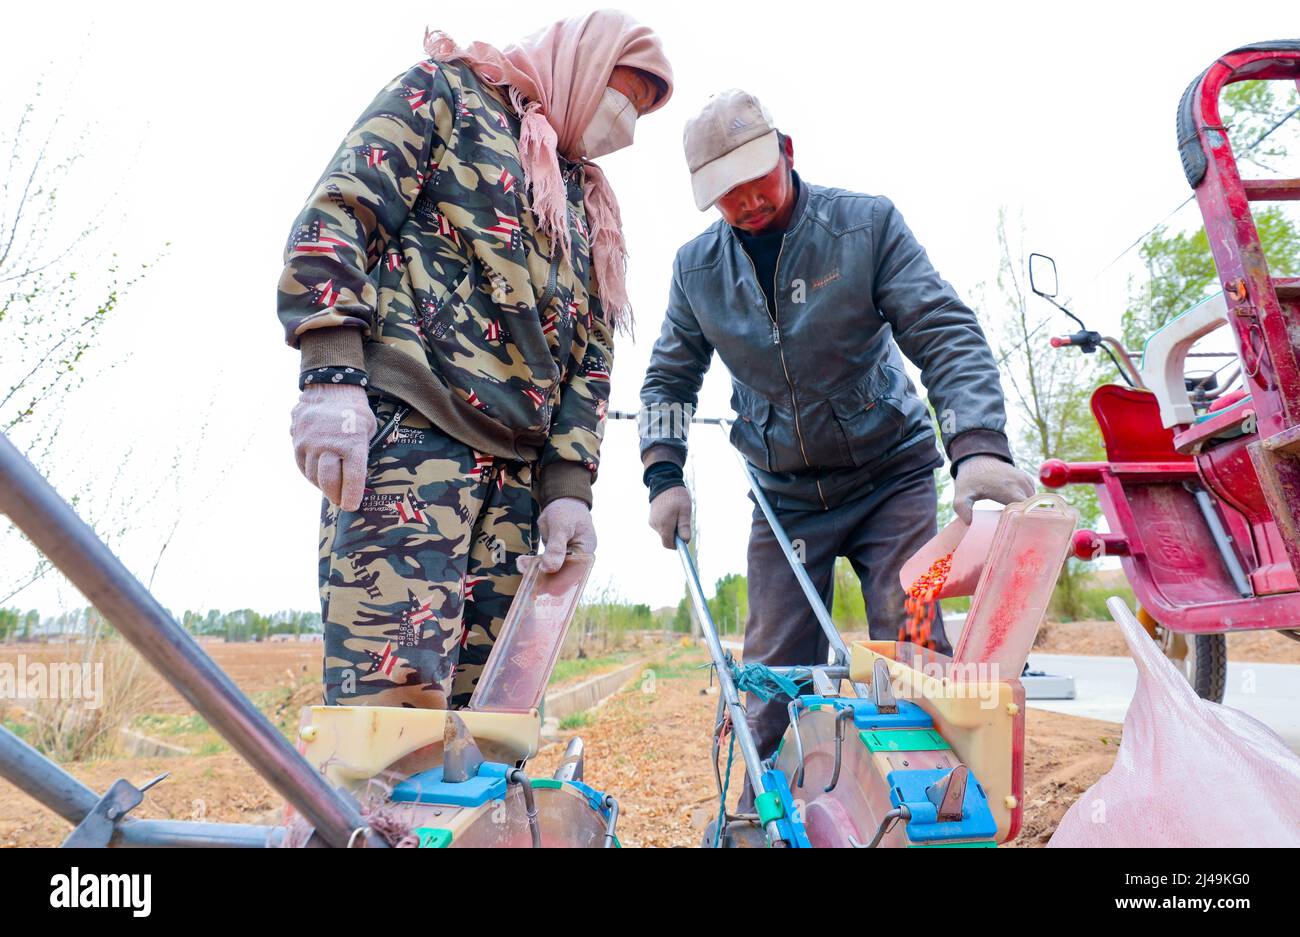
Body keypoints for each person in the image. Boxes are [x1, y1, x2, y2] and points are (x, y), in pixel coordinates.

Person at [638, 89, 1034, 808]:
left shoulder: (864, 226)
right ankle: (760, 809)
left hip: (892, 479)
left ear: (788, 153)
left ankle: (934, 804)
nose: (748, 202)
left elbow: (943, 330)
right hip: (784, 497)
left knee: (908, 652)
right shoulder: (697, 271)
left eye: (757, 180)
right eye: (725, 195)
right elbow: (668, 376)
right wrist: (664, 474)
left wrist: (977, 446)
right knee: (772, 677)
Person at [280, 11, 672, 709]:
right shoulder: (449, 95)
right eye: (625, 95)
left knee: (494, 723)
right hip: (416, 440)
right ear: (583, 64)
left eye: (641, 113)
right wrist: (331, 372)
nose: (628, 127)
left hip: (516, 485)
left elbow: (591, 356)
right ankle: (376, 821)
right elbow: (342, 210)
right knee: (392, 716)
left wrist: (568, 491)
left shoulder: (584, 202)